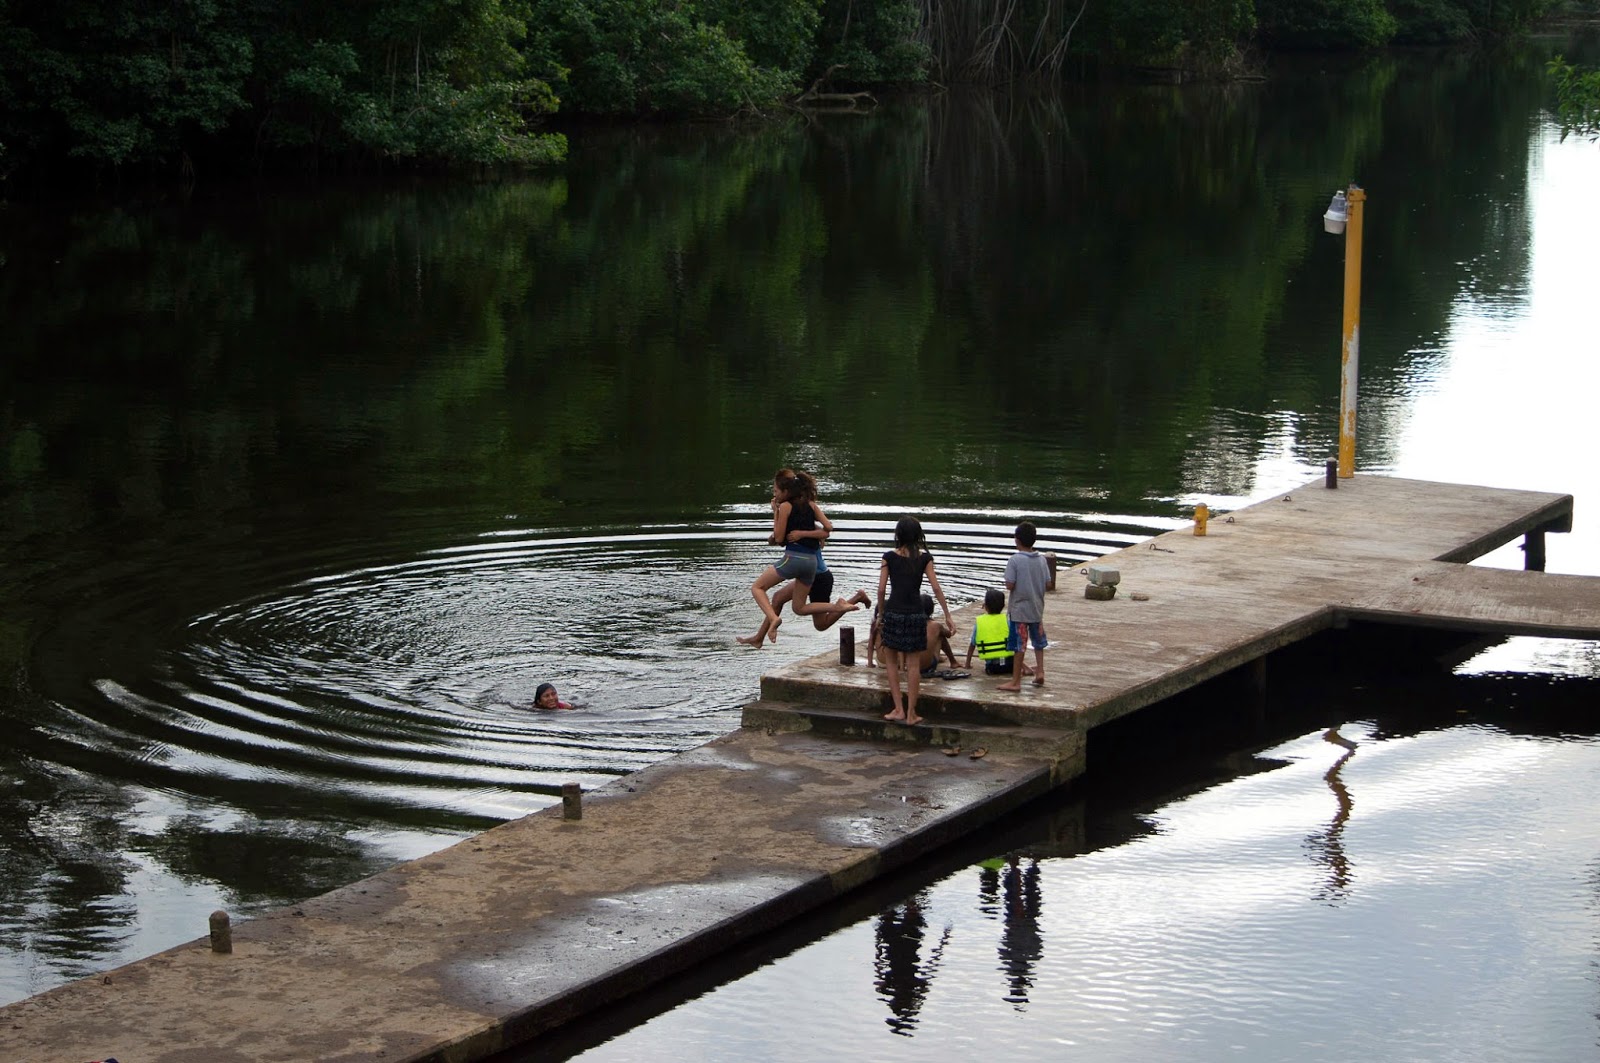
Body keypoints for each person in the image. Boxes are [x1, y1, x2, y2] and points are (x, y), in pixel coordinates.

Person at [749, 468, 858, 643]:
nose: (774, 495)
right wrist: (798, 534)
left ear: (786, 492)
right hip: (811, 565)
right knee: (795, 606)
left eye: (776, 491)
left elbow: (778, 538)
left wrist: (775, 512)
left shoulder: (785, 508)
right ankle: (759, 638)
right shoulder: (810, 507)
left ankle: (773, 618)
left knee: (757, 588)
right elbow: (827, 529)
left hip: (802, 565)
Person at [877, 517, 954, 726]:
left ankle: (898, 709)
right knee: (912, 666)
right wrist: (947, 615)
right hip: (915, 614)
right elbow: (936, 588)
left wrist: (881, 615)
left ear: (898, 535)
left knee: (892, 662)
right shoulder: (924, 558)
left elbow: (882, 589)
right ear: (918, 536)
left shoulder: (888, 557)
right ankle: (912, 713)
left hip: (893, 612)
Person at [737, 555, 872, 647]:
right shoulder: (806, 530)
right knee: (778, 598)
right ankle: (759, 638)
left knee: (821, 624)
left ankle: (856, 598)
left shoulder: (807, 529)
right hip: (807, 576)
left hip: (819, 579)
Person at [998, 520, 1050, 691]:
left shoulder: (1015, 560)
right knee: (1038, 641)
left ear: (1017, 540)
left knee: (1019, 645)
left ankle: (1015, 681)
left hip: (1020, 610)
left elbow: (1010, 585)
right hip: (1037, 608)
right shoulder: (1042, 560)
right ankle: (1040, 671)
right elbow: (1048, 583)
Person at [966, 587, 1022, 676]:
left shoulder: (980, 623)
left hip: (992, 667)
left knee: (992, 666)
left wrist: (967, 664)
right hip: (1011, 665)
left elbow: (972, 644)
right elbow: (1017, 644)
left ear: (985, 606)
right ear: (1003, 606)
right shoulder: (1007, 621)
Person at [915, 593, 960, 676]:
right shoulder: (936, 625)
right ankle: (953, 661)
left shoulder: (911, 623)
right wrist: (952, 630)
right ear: (932, 610)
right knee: (941, 636)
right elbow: (948, 635)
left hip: (911, 664)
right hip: (928, 666)